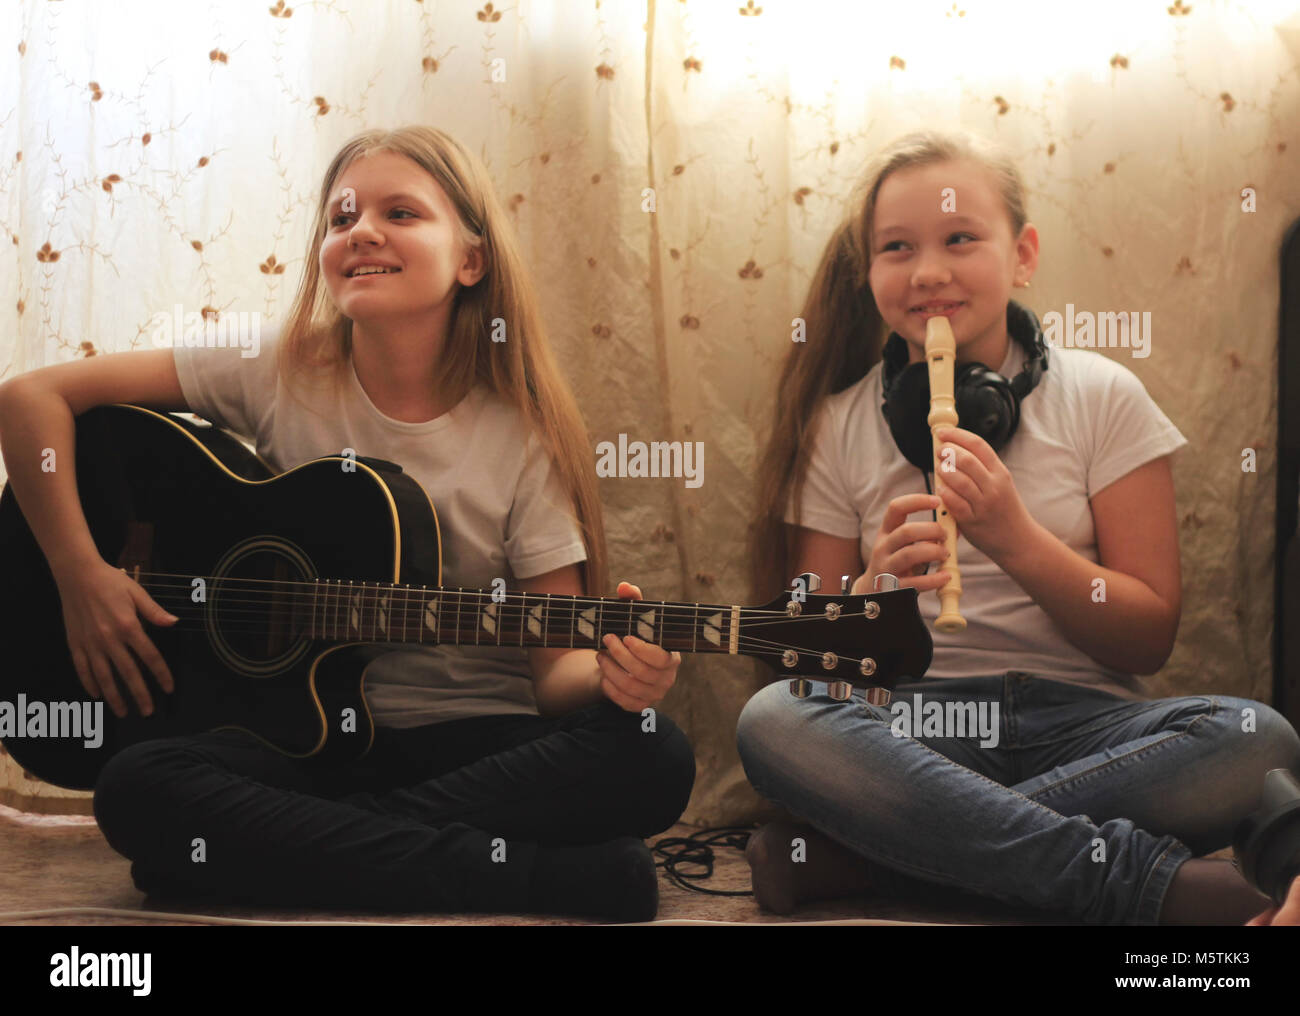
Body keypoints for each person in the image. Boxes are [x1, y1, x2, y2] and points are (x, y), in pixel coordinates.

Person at [0, 125, 694, 922]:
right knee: (135, 789)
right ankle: (531, 879)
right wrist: (80, 574)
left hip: (465, 742)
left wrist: (621, 673)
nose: (361, 230)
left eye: (401, 212)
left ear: (471, 259)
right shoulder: (278, 366)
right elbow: (29, 399)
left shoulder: (521, 433)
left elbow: (555, 674)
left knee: (651, 751)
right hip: (292, 745)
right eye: (341, 217)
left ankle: (283, 856)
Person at [737, 127, 1300, 925]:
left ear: (1022, 254)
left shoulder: (1104, 396)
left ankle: (889, 859)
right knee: (776, 720)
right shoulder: (839, 423)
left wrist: (1016, 541)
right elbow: (816, 669)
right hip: (919, 727)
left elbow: (1147, 640)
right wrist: (868, 598)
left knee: (1256, 737)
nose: (929, 271)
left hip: (1086, 723)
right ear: (869, 275)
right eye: (896, 248)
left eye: (961, 238)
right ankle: (1153, 888)